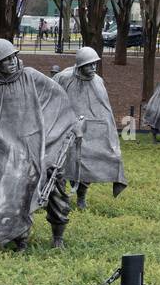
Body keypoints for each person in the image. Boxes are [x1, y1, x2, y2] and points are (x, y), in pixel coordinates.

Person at [0, 39, 76, 250]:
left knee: (56, 187)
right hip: (9, 154)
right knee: (14, 191)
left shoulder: (31, 77)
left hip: (42, 145)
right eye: (6, 60)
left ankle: (58, 237)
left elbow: (58, 99)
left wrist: (64, 129)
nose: (13, 62)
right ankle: (20, 239)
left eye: (14, 57)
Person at [53, 47, 127, 209]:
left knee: (88, 164)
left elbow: (104, 110)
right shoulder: (64, 78)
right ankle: (61, 198)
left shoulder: (98, 81)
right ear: (80, 65)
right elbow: (51, 99)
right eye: (89, 65)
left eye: (95, 64)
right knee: (63, 165)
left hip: (91, 132)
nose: (93, 68)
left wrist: (107, 133)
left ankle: (81, 197)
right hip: (66, 130)